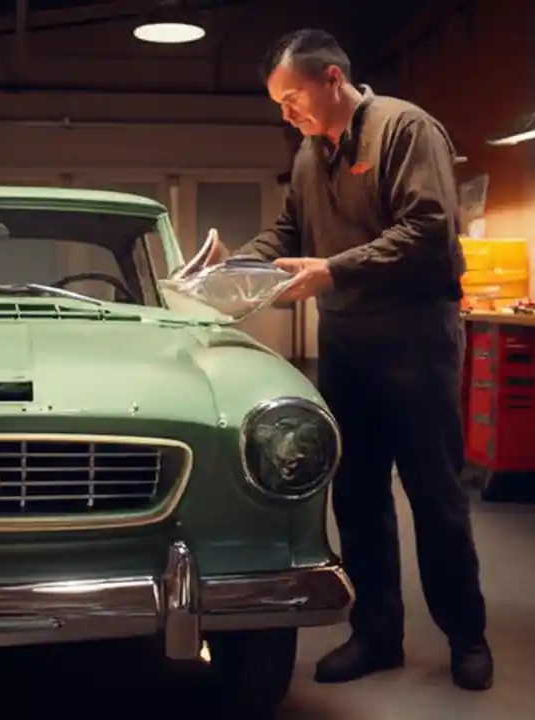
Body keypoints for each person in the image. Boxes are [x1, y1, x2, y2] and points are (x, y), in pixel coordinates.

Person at [178, 28, 493, 691]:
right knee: (356, 494)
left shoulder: (404, 129)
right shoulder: (308, 153)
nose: (286, 114)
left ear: (331, 79)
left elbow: (429, 230)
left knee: (435, 493)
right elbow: (289, 232)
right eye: (279, 105)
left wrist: (333, 269)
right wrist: (234, 263)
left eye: (292, 98)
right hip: (347, 343)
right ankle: (377, 635)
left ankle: (467, 636)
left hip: (415, 340)